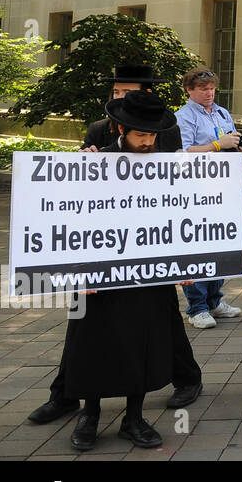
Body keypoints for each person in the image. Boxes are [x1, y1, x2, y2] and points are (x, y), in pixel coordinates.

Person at [61, 91, 195, 450]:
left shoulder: (164, 165)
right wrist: (80, 272)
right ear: (122, 128)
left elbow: (179, 215)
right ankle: (90, 415)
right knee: (93, 343)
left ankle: (134, 418)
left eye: (152, 136)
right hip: (98, 275)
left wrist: (186, 262)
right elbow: (70, 219)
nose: (148, 142)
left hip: (149, 275)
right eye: (141, 135)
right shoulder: (94, 163)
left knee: (143, 343)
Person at [175, 67, 242, 328]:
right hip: (196, 191)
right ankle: (197, 307)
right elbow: (182, 152)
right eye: (203, 89)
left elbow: (231, 140)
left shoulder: (222, 113)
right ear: (190, 90)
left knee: (219, 244)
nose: (209, 93)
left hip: (222, 190)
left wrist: (235, 145)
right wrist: (217, 145)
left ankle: (215, 300)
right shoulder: (183, 116)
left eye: (212, 88)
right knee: (196, 248)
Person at [81, 63, 183, 152]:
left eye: (127, 92)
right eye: (116, 92)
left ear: (147, 94)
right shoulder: (98, 130)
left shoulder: (168, 130)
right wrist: (86, 157)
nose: (119, 98)